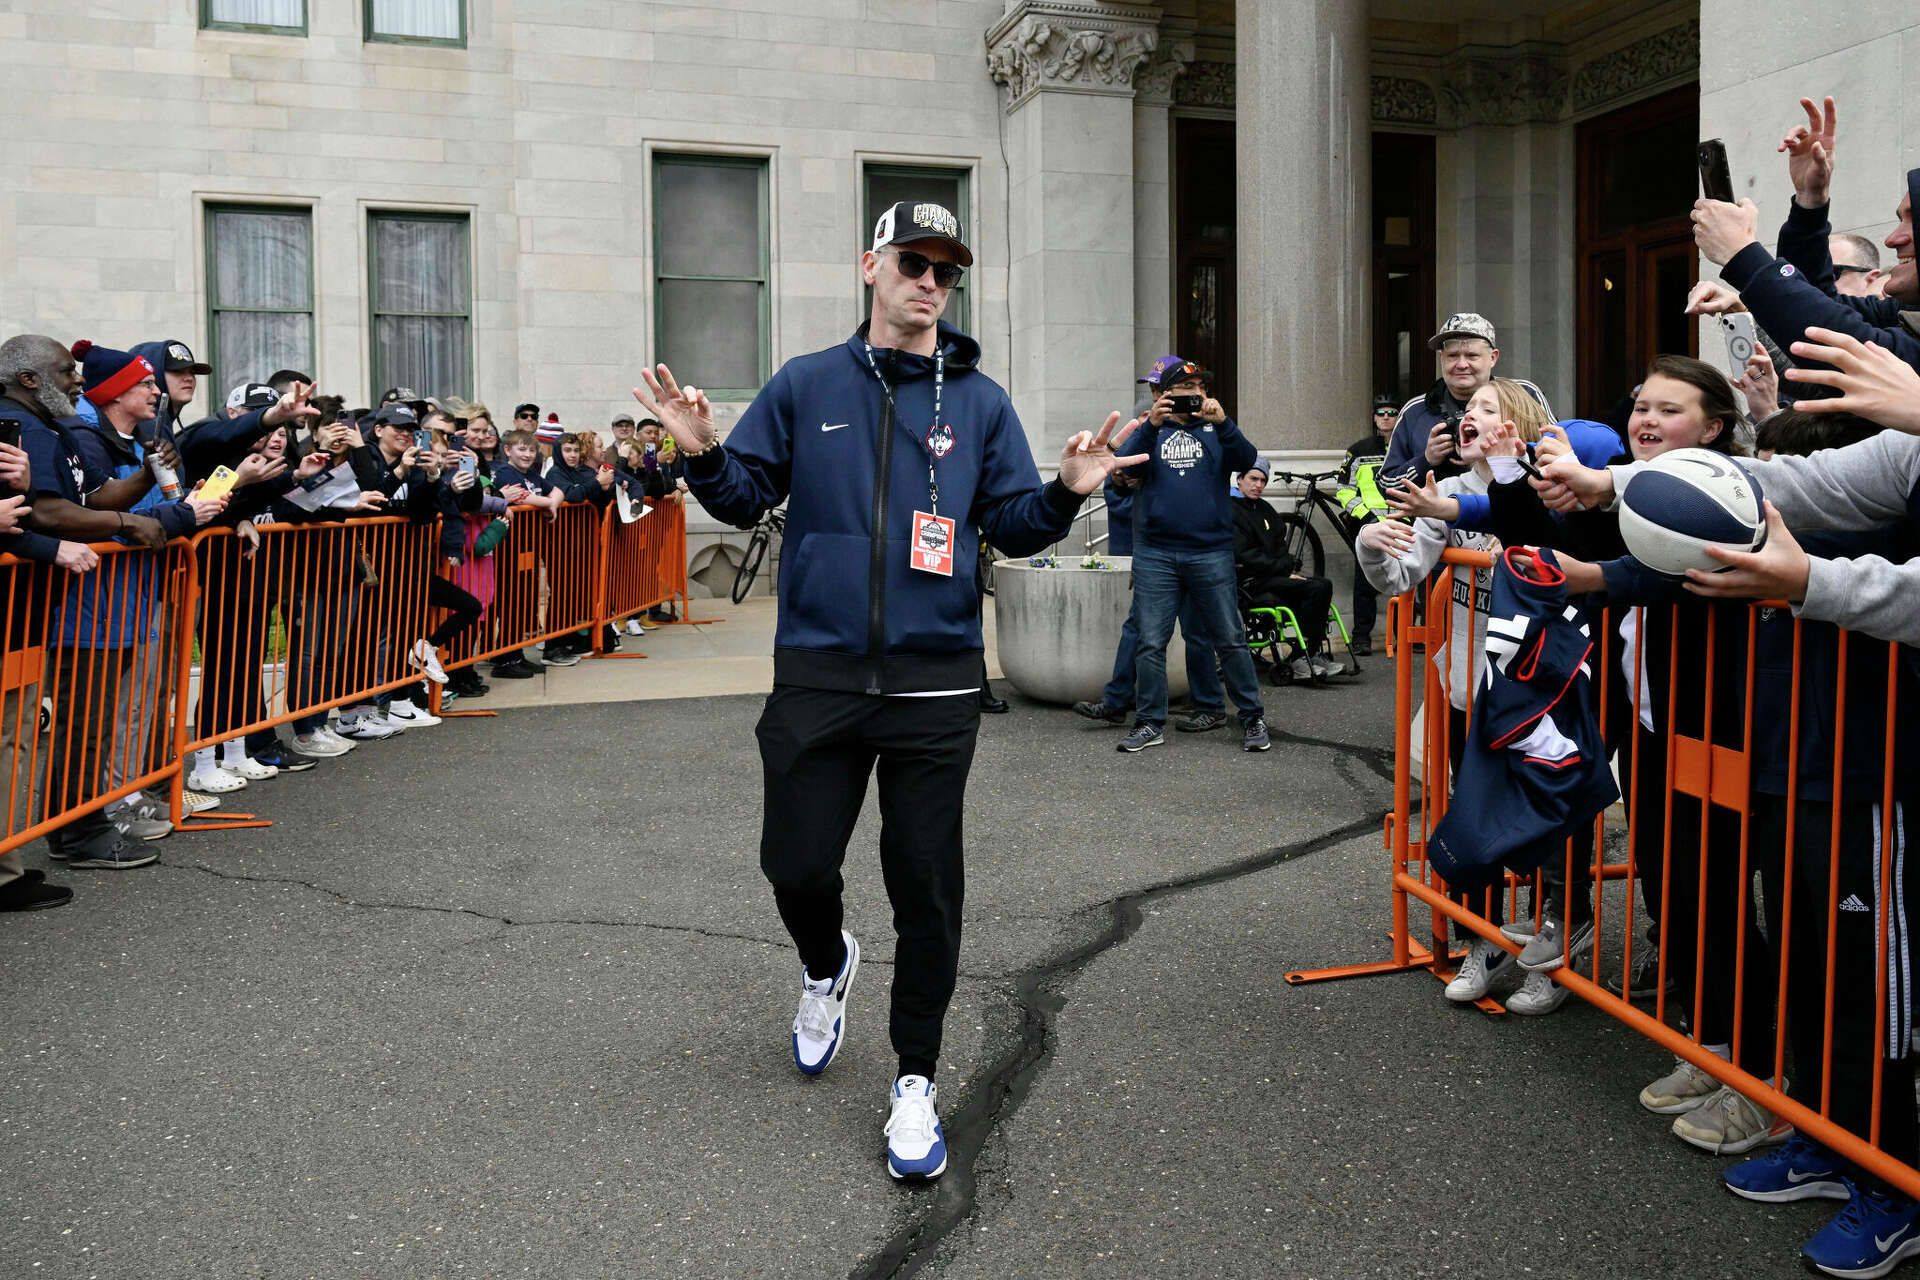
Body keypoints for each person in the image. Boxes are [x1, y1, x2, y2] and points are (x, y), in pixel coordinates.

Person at [634, 197, 1141, 1181]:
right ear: (872, 266)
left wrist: (1066, 493)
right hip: (819, 671)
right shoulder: (807, 381)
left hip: (934, 683)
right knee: (795, 867)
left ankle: (916, 1077)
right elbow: (746, 496)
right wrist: (700, 450)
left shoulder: (980, 401)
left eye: (947, 271)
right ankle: (827, 962)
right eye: (915, 262)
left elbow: (1013, 522)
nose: (931, 283)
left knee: (926, 888)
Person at [1689, 96, 1919, 375]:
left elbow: (1852, 349)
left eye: (1914, 220)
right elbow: (1820, 305)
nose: (1893, 239)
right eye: (1900, 219)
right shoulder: (1903, 311)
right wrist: (1810, 203)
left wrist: (1742, 253)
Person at [1111, 355, 1271, 753]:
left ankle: (1252, 717)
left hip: (1210, 551)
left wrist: (1225, 422)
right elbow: (1124, 466)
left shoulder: (1218, 430)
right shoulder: (1152, 430)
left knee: (1230, 639)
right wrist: (1152, 424)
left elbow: (1247, 458)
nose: (1195, 394)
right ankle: (1150, 723)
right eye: (1185, 389)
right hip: (1157, 553)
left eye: (1199, 388)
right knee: (1151, 642)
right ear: (1165, 395)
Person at [1379, 312, 1555, 487]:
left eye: (1472, 356)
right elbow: (1386, 484)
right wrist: (1425, 461)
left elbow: (1558, 456)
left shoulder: (1524, 394)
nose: (1462, 364)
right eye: (1452, 356)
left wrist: (1508, 455)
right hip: (1438, 504)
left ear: (1493, 358)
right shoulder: (1415, 410)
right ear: (1441, 358)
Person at [1233, 459, 1336, 679]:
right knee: (1315, 589)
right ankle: (1301, 657)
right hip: (1250, 581)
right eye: (1253, 479)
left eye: (1263, 480)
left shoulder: (1265, 509)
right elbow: (1244, 555)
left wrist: (1287, 570)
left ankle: (1310, 652)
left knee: (1323, 584)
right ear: (1239, 479)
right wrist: (1282, 570)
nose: (1258, 485)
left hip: (1272, 575)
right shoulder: (1231, 509)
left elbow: (1281, 548)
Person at [1334, 395, 1399, 654]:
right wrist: (1366, 516)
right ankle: (1361, 637)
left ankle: (1406, 635)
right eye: (1381, 413)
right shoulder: (1358, 450)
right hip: (1370, 527)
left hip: (1402, 524)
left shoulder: (1407, 447)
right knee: (1364, 585)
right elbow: (1344, 490)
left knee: (1407, 584)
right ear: (1374, 418)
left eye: (1392, 412)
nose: (1386, 417)